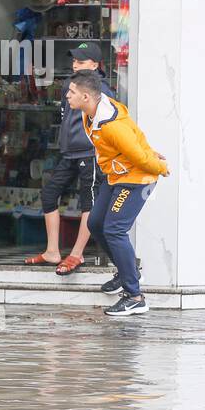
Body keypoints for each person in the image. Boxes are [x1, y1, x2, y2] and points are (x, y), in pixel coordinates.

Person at [67, 70, 169, 317]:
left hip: (137, 179)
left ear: (86, 97)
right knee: (95, 222)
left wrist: (161, 167)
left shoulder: (112, 126)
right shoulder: (88, 113)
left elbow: (137, 151)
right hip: (116, 176)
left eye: (71, 93)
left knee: (114, 228)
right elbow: (137, 137)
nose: (67, 96)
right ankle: (128, 270)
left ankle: (135, 296)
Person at [26, 42, 115, 275]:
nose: (76, 64)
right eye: (74, 60)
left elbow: (110, 123)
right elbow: (65, 117)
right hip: (69, 152)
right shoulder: (69, 84)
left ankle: (76, 253)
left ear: (95, 65)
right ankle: (52, 251)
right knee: (49, 194)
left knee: (89, 201)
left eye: (82, 61)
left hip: (90, 153)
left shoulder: (103, 90)